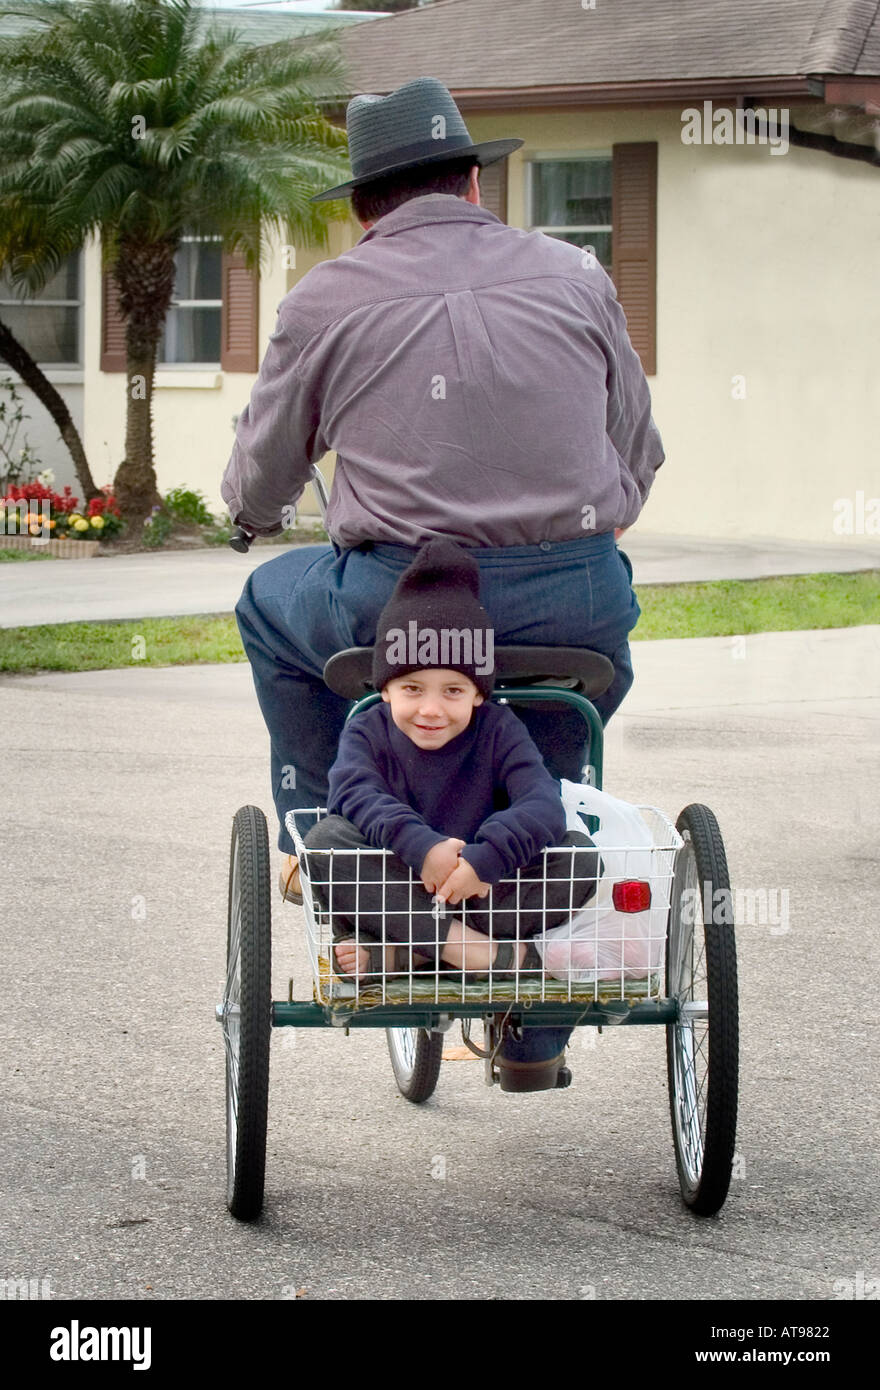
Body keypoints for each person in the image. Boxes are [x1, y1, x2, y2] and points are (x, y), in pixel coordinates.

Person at [221, 76, 664, 1079]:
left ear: (363, 206)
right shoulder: (577, 274)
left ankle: (320, 840)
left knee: (267, 605)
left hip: (401, 605)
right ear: (474, 181)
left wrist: (249, 519)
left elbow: (265, 473)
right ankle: (539, 1012)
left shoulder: (324, 298)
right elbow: (637, 455)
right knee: (560, 744)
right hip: (575, 599)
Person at [300, 540, 601, 1092]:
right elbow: (354, 792)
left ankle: (403, 951)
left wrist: (485, 859)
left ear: (479, 695)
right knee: (326, 841)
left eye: (453, 690)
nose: (431, 708)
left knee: (578, 857)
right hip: (401, 886)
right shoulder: (368, 730)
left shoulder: (500, 730)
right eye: (412, 687)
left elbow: (541, 804)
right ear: (385, 688)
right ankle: (463, 951)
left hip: (484, 895)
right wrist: (423, 846)